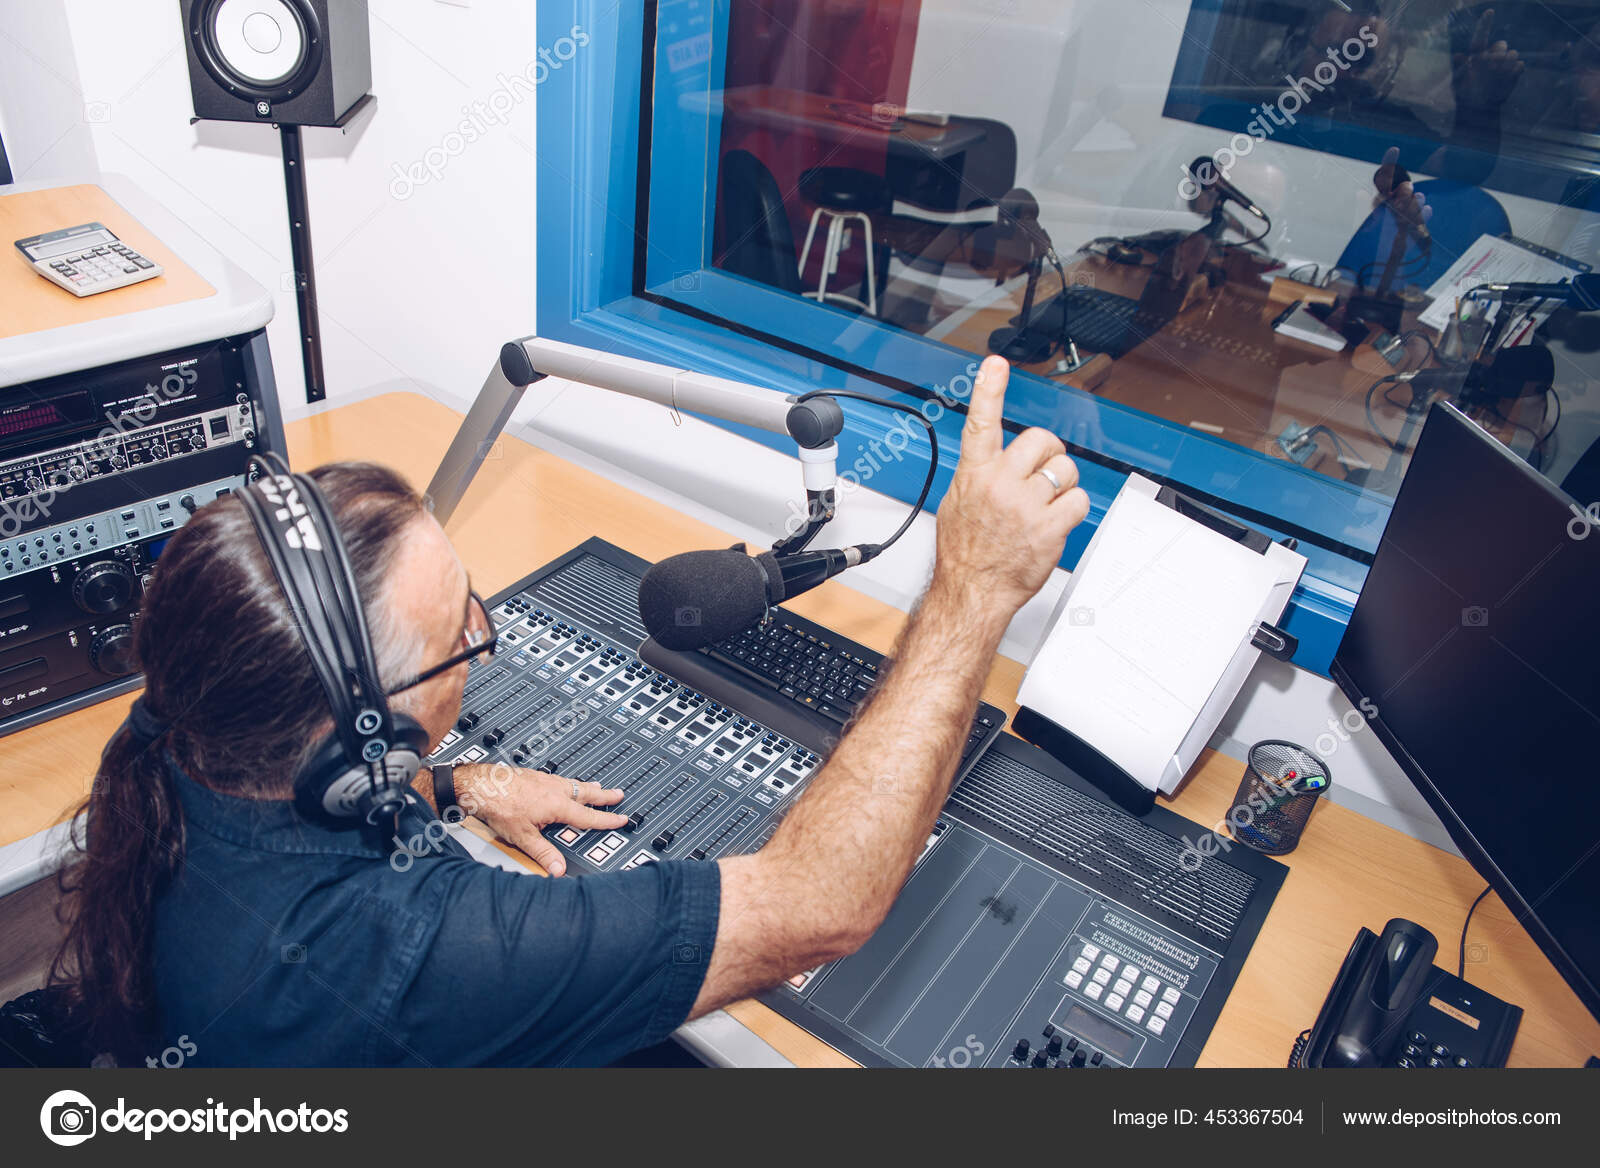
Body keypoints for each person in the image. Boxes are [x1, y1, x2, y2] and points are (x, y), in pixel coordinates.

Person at [50, 356, 1089, 1067]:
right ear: (354, 749)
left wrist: (454, 783)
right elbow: (822, 903)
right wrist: (971, 591)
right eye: (462, 630)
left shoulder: (184, 722)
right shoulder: (419, 952)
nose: (485, 629)